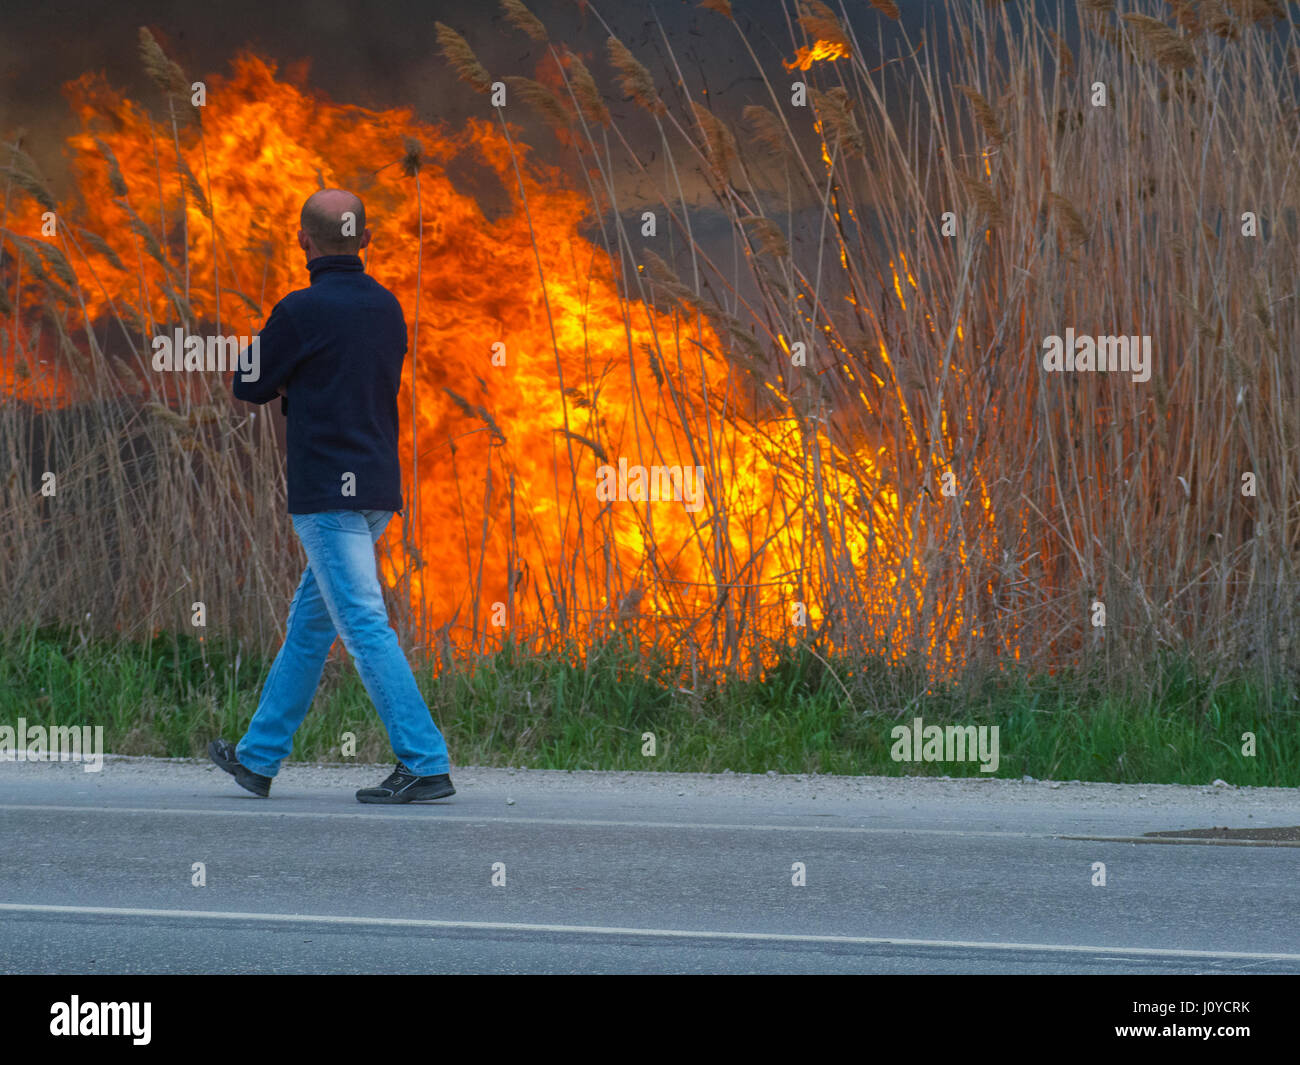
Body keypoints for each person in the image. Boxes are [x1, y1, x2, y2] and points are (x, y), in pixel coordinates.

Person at [208, 188, 454, 804]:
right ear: (365, 241)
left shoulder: (300, 311)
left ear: (303, 241)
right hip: (375, 488)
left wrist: (286, 364)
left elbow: (249, 384)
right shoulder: (389, 308)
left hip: (328, 495)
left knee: (364, 623)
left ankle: (425, 762)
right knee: (311, 626)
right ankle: (258, 757)